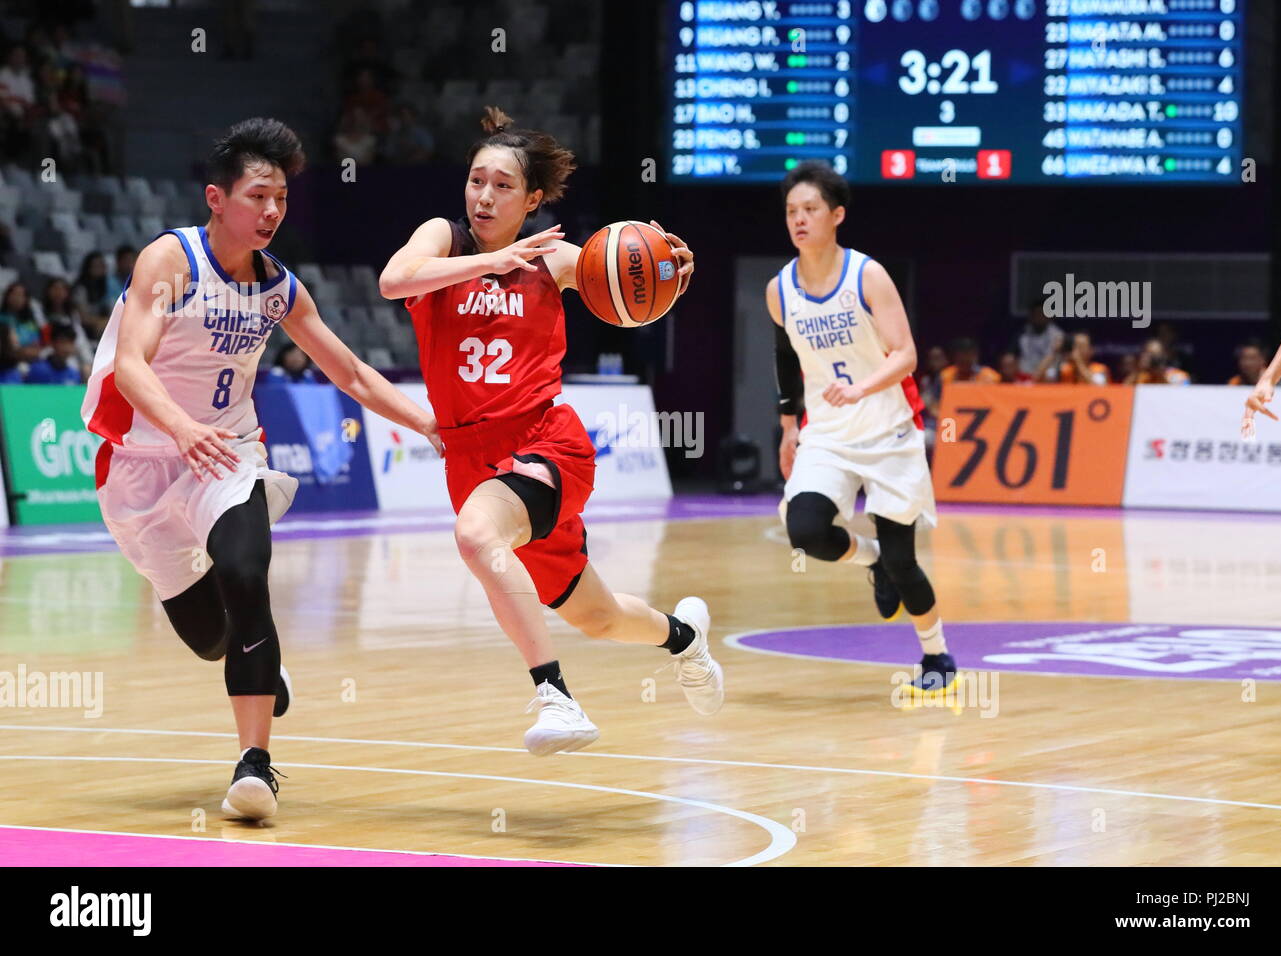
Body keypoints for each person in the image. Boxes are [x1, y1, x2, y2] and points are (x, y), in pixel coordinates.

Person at [81, 118, 441, 820]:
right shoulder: (171, 261)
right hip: (140, 465)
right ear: (217, 199)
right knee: (211, 637)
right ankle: (261, 664)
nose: (272, 211)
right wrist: (182, 429)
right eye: (257, 196)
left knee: (247, 575)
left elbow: (355, 373)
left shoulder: (279, 288)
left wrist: (430, 424)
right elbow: (129, 366)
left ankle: (256, 766)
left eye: (280, 197)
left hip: (228, 452)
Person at [380, 107, 721, 755]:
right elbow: (395, 281)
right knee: (598, 616)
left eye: (503, 186)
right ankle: (687, 640)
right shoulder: (442, 239)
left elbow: (627, 291)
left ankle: (556, 699)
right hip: (470, 460)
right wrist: (492, 261)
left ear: (533, 199)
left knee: (476, 538)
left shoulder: (554, 259)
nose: (484, 195)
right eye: (477, 180)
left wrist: (671, 272)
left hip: (545, 442)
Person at [768, 160, 956, 698]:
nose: (799, 220)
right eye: (791, 212)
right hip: (827, 433)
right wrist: (788, 427)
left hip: (888, 427)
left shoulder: (867, 275)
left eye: (810, 210)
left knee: (905, 559)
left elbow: (907, 354)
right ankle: (870, 561)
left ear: (837, 215)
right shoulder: (779, 290)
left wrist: (861, 387)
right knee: (805, 530)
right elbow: (785, 359)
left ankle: (936, 652)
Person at [0, 280, 47, 364]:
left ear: (26, 299)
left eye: (21, 295)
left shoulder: (30, 323)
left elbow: (36, 346)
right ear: (7, 296)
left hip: (27, 360)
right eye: (14, 294)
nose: (17, 298)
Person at [1036, 331, 1110, 385]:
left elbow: (1098, 386)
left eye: (1081, 346)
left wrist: (1078, 362)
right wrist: (1054, 352)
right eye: (1075, 346)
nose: (1076, 350)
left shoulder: (1099, 368)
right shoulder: (1063, 368)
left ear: (1091, 350)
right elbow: (1038, 379)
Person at [1018, 295, 1065, 377]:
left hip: (1048, 374)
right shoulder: (1023, 333)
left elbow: (1055, 359)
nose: (1039, 317)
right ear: (1031, 316)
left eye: (1042, 313)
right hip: (1027, 372)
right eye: (1036, 314)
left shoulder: (1057, 335)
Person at [1124, 339, 1189, 385]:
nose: (1148, 357)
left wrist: (1160, 373)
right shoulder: (1139, 376)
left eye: (1153, 354)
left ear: (1162, 355)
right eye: (1146, 353)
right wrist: (1138, 371)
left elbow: (1181, 397)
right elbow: (1125, 393)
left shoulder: (1178, 375)